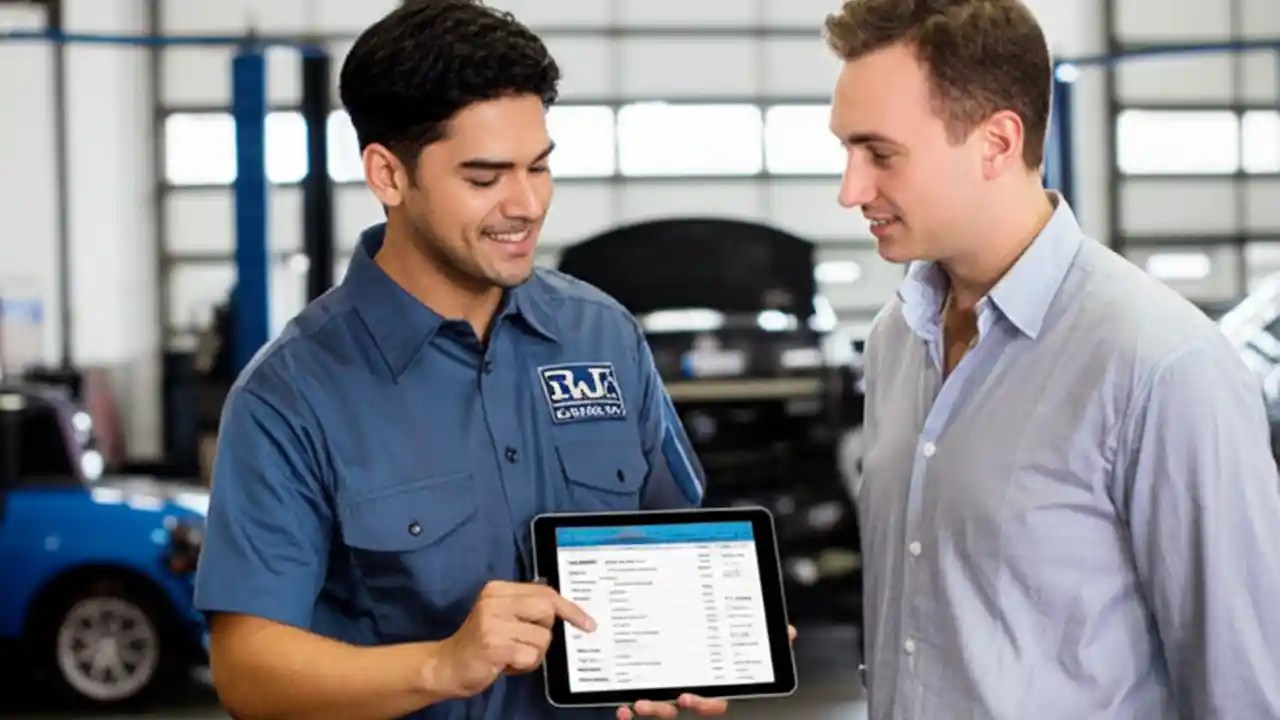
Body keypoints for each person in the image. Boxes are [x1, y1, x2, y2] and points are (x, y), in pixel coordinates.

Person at [193, 2, 735, 718]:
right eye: (485, 179)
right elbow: (248, 670)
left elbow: (675, 556)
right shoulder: (290, 396)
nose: (527, 204)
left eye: (539, 167)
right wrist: (440, 666)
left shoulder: (603, 337)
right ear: (388, 176)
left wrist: (702, 658)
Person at [823, 0, 1280, 718]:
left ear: (996, 142)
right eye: (846, 151)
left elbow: (1242, 686)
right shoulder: (895, 338)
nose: (851, 190)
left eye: (881, 154)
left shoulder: (1161, 367)